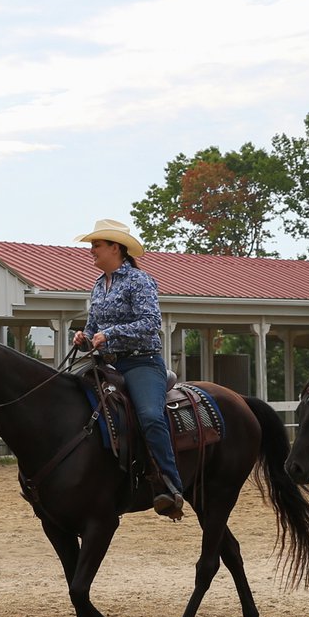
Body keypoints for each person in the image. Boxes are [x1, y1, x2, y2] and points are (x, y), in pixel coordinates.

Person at [72, 219, 186, 519]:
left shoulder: (139, 280)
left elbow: (151, 322)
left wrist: (110, 334)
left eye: (96, 245)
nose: (91, 250)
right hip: (106, 363)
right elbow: (94, 329)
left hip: (141, 362)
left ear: (115, 248)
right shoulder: (98, 285)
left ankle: (170, 482)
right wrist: (84, 338)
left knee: (149, 416)